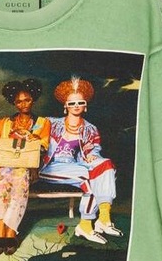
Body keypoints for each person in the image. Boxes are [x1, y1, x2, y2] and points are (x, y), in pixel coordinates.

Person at [39, 76, 123, 244]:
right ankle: (85, 225)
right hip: (50, 166)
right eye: (72, 103)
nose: (76, 106)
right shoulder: (49, 122)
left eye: (80, 103)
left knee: (107, 165)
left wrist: (92, 154)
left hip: (76, 165)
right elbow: (32, 133)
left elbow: (94, 148)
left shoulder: (91, 129)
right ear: (65, 106)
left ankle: (103, 219)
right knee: (90, 178)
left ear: (85, 105)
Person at [0, 79, 51, 256]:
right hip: (6, 166)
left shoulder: (42, 122)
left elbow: (45, 145)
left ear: (33, 99)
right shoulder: (5, 122)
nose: (23, 104)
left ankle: (10, 233)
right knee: (2, 182)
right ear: (13, 102)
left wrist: (32, 138)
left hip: (29, 167)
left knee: (18, 180)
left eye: (27, 100)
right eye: (19, 101)